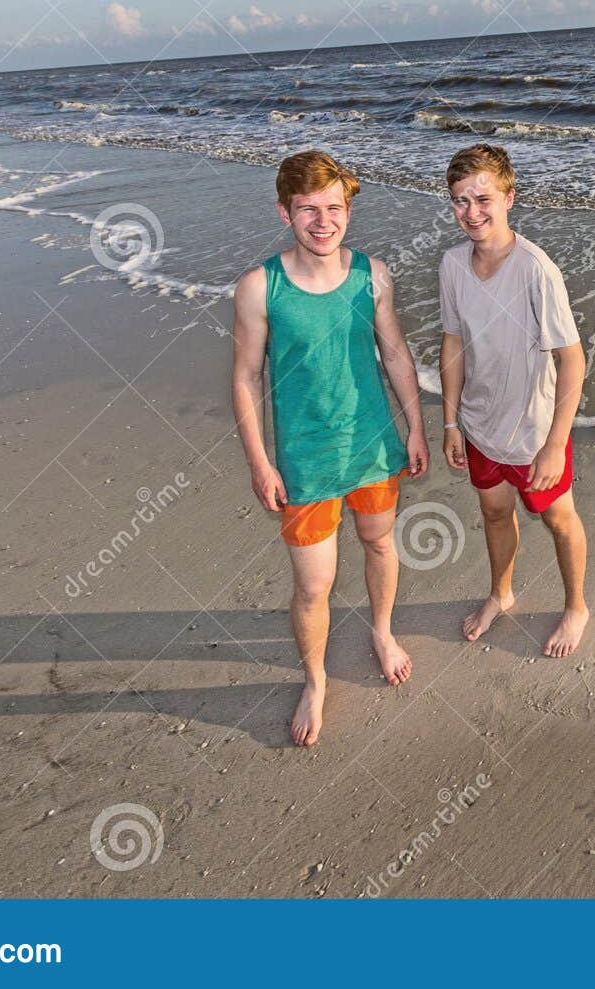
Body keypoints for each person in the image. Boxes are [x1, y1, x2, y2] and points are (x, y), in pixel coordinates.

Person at [231, 150, 428, 746]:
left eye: (334, 208)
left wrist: (416, 427)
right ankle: (315, 679)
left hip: (372, 446)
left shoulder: (374, 275)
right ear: (284, 212)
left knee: (380, 543)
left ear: (349, 209)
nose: (323, 222)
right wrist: (260, 462)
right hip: (306, 460)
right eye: (308, 210)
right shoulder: (260, 287)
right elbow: (246, 377)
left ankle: (382, 631)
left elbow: (395, 353)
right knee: (314, 585)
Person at [438, 143, 590, 657]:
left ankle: (576, 607)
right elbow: (453, 343)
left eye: (483, 199)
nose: (471, 212)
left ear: (509, 197)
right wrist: (451, 422)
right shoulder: (452, 264)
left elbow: (572, 360)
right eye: (460, 201)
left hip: (533, 432)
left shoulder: (535, 269)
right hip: (480, 426)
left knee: (559, 520)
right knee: (495, 513)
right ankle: (500, 593)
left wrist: (555, 445)